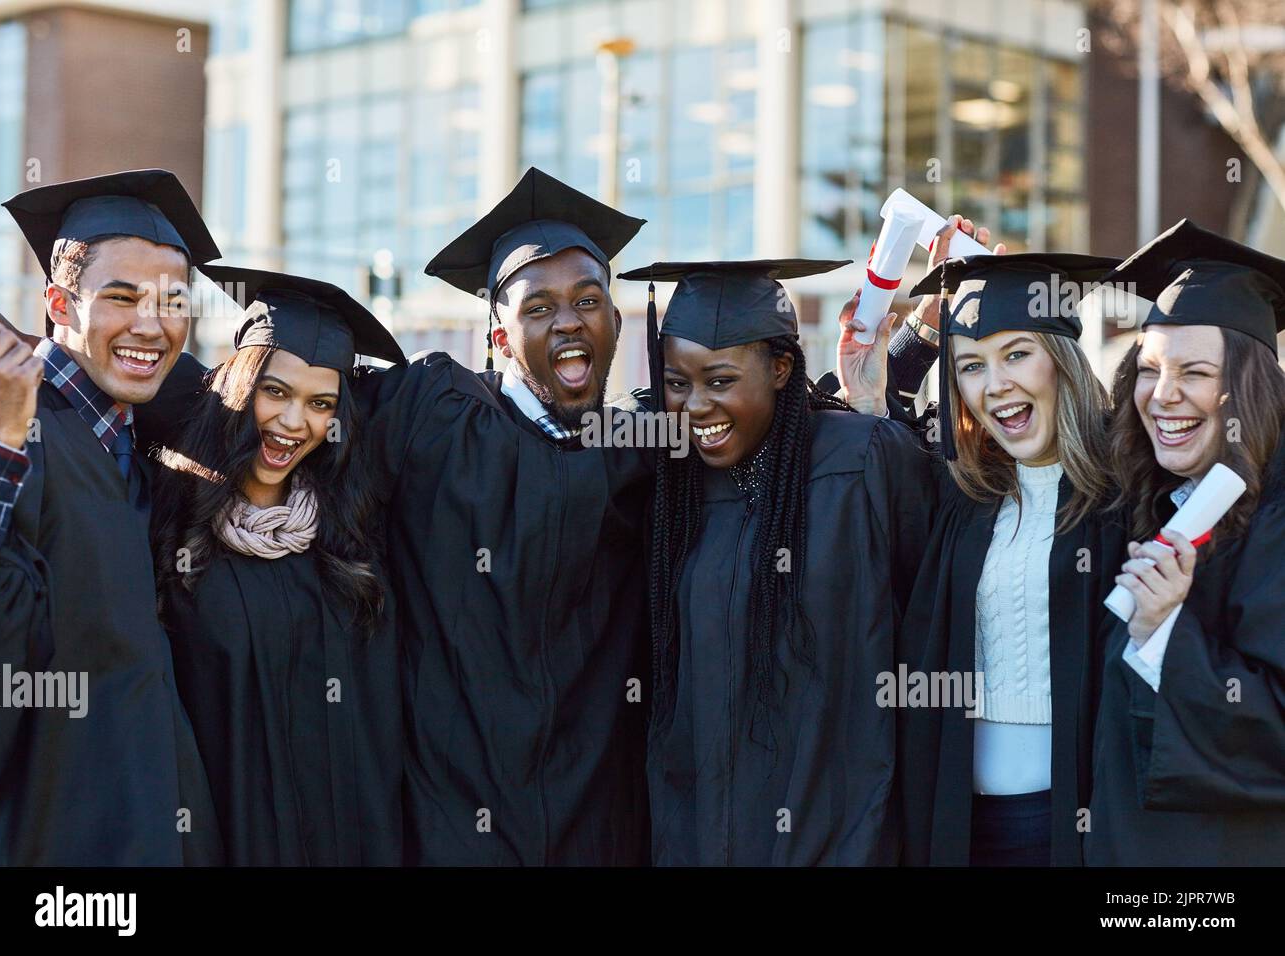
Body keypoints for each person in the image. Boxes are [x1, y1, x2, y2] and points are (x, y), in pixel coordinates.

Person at [355, 167, 656, 865]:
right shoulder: (432, 422)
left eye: (588, 300)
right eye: (538, 308)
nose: (569, 320)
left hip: (596, 821)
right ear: (498, 338)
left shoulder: (639, 457)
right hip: (454, 818)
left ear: (614, 322)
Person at [620, 258, 933, 865]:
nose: (694, 407)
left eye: (719, 380)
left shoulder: (857, 462)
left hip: (838, 838)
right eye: (677, 383)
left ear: (781, 368)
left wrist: (902, 366)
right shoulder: (666, 484)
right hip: (697, 836)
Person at [844, 248, 1127, 866]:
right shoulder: (964, 499)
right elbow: (878, 499)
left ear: (1063, 361)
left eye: (1017, 354)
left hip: (1074, 828)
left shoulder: (1126, 498)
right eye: (971, 365)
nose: (995, 384)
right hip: (962, 826)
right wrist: (874, 395)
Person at [0, 169, 221, 864]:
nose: (151, 325)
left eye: (172, 302)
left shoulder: (137, 443)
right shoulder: (10, 426)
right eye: (121, 298)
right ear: (59, 303)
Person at [150, 267, 406, 865]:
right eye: (276, 392)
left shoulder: (351, 540)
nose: (295, 424)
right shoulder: (173, 528)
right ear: (241, 386)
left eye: (321, 404)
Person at [1085, 219, 1285, 865]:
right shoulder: (1146, 500)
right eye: (1148, 369)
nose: (1162, 395)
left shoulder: (1277, 522)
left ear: (1245, 390)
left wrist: (1163, 629)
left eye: (1193, 372)